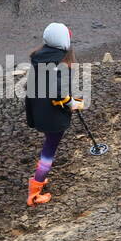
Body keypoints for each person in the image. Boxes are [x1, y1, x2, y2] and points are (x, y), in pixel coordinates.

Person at [24, 22, 83, 205]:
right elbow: (58, 93)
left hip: (38, 109)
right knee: (48, 151)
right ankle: (34, 192)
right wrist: (72, 103)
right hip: (52, 115)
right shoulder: (59, 62)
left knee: (48, 146)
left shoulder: (40, 56)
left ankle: (39, 175)